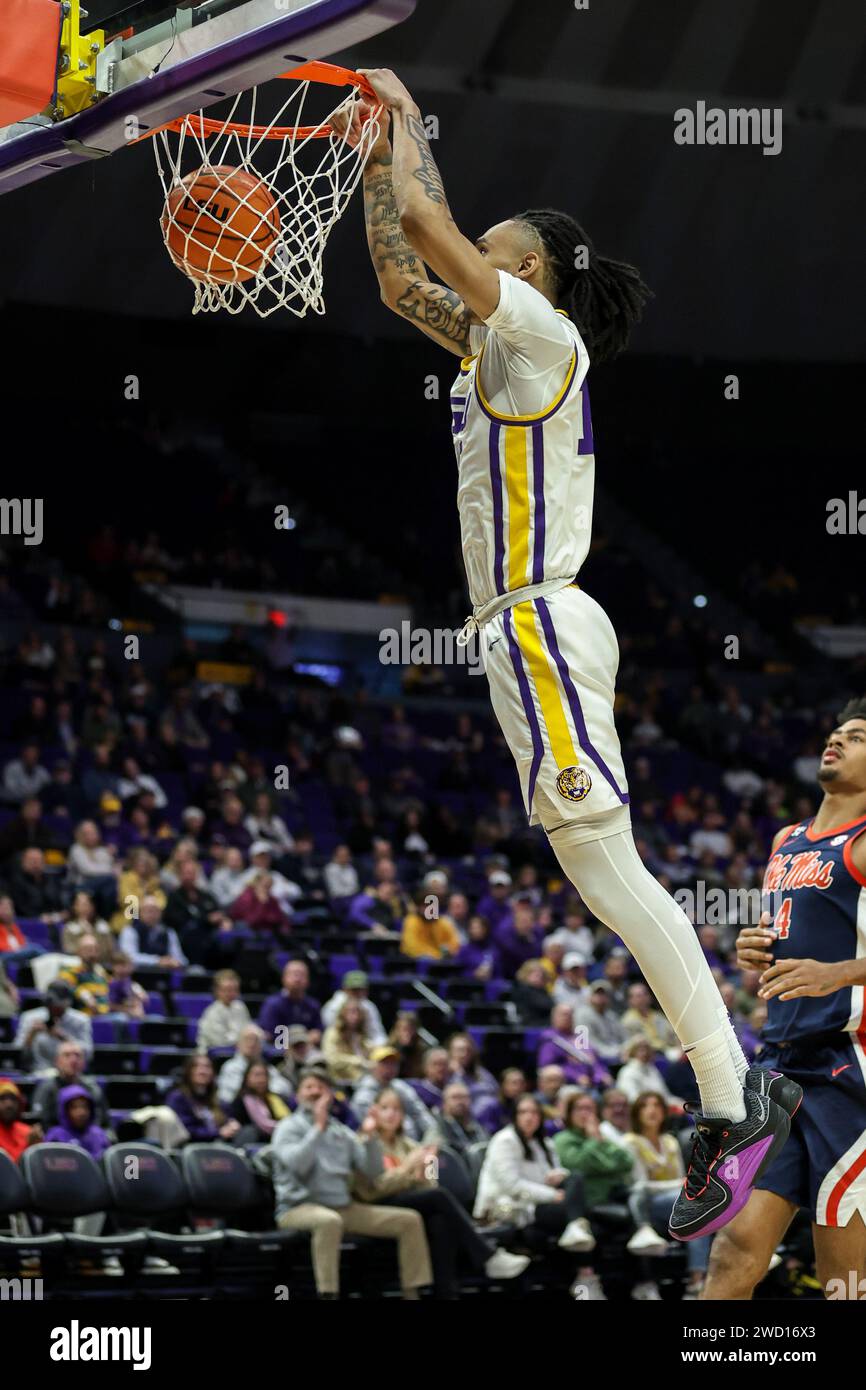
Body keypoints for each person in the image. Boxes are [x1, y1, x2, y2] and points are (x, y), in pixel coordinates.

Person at [353, 64, 789, 1240]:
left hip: (540, 615)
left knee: (612, 874)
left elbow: (429, 229)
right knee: (600, 878)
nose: (472, 257)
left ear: (530, 268)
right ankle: (728, 1091)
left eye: (496, 247)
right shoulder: (498, 345)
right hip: (524, 627)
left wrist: (399, 117)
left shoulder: (537, 331)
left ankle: (730, 1093)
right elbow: (402, 270)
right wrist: (368, 150)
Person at [704, 698, 866, 1297]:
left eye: (857, 737)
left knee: (844, 1280)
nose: (838, 740)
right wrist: (753, 946)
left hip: (850, 1068)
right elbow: (786, 934)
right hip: (780, 1065)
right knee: (733, 1250)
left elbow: (830, 962)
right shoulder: (786, 840)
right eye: (835, 732)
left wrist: (840, 975)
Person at [272, 1069, 433, 1299]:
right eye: (309, 1087)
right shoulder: (288, 1127)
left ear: (330, 1095)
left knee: (409, 1220)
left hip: (342, 1207)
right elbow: (297, 1164)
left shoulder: (341, 1131)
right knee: (329, 1221)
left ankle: (413, 1292)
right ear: (298, 1095)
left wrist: (369, 1138)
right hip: (298, 1208)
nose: (316, 1092)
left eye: (322, 1087)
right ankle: (328, 1294)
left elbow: (372, 1172)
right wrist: (317, 1128)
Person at [355, 1087, 528, 1295]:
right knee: (439, 1198)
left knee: (441, 1223)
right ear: (374, 1111)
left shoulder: (409, 1144)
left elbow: (431, 1186)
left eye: (397, 1109)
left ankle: (446, 1292)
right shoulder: (366, 1142)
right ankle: (488, 1256)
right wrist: (407, 1170)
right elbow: (375, 1189)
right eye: (385, 1108)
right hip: (375, 1207)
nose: (391, 1114)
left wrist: (429, 1167)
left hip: (406, 1205)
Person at [474, 1094, 601, 1295]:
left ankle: (583, 1269)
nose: (529, 1117)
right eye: (523, 1112)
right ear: (514, 1116)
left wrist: (558, 1176)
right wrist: (552, 1195)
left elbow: (557, 1173)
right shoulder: (505, 1141)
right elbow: (512, 1186)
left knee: (575, 1180)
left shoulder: (544, 1143)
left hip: (538, 1204)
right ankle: (586, 1279)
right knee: (588, 1221)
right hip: (507, 1208)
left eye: (534, 1112)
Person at [623, 1091, 710, 1299]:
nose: (652, 1111)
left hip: (675, 1201)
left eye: (657, 1106)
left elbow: (681, 1176)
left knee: (704, 1208)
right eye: (645, 1106)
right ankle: (696, 1284)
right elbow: (640, 1186)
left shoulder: (670, 1141)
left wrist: (682, 1185)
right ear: (637, 1113)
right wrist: (680, 1185)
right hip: (646, 1206)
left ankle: (696, 1283)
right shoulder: (630, 1142)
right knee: (698, 1202)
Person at [349, 1045, 433, 1140]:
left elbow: (419, 1112)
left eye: (393, 1063)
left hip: (407, 1144)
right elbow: (373, 1126)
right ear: (373, 1066)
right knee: (407, 1124)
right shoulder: (363, 1096)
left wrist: (434, 1135)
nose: (390, 1068)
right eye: (384, 1063)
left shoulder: (400, 1087)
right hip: (378, 1143)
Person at [30, 1041, 109, 1129]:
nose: (73, 1060)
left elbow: (103, 1123)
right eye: (67, 1055)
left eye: (77, 1055)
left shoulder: (93, 1089)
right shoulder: (46, 1089)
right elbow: (40, 1122)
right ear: (57, 1061)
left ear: (84, 1063)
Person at [15, 982, 93, 1070]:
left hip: (69, 1072)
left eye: (58, 1006)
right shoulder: (30, 1017)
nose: (53, 1009)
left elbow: (88, 1054)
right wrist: (31, 1035)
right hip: (37, 1071)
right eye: (50, 1005)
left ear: (67, 1003)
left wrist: (63, 1037)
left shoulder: (81, 1020)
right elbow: (17, 1054)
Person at [166, 1054, 241, 1144]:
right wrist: (218, 1133)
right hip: (190, 1147)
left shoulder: (216, 1099)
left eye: (207, 1067)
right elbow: (186, 1130)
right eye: (197, 1067)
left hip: (218, 1146)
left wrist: (232, 1124)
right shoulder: (178, 1098)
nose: (203, 1071)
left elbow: (229, 1117)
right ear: (188, 1071)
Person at [537, 1003, 612, 1089]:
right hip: (568, 1085)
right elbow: (547, 1068)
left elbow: (594, 1060)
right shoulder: (550, 1039)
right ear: (554, 1017)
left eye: (570, 1015)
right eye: (564, 1014)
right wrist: (575, 1077)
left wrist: (602, 1074)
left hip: (594, 1082)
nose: (567, 1017)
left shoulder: (579, 1037)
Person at [216, 1024, 294, 1107]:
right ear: (238, 1044)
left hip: (267, 1108)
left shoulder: (266, 1067)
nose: (251, 1043)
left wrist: (263, 1091)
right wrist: (263, 1091)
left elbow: (286, 1087)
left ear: (261, 1046)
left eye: (255, 1040)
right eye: (247, 1039)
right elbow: (229, 1096)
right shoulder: (230, 1067)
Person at [225, 1059, 292, 1144]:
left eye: (264, 1075)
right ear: (247, 1078)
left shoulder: (275, 1098)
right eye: (257, 1075)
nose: (261, 1079)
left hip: (278, 1139)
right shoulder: (241, 1100)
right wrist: (288, 1128)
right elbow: (264, 1125)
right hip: (252, 1142)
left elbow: (288, 1118)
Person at [258, 959, 322, 1044]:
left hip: (307, 1051)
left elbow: (318, 1031)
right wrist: (299, 1041)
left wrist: (315, 1035)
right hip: (278, 1052)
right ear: (283, 978)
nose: (298, 979)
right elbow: (270, 1035)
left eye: (302, 975)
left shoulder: (313, 1005)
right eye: (294, 974)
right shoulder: (272, 1004)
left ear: (308, 980)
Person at [118, 895, 187, 969]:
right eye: (149, 911)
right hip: (138, 974)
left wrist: (174, 962)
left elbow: (181, 959)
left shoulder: (168, 932)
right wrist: (157, 961)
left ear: (161, 913)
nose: (152, 914)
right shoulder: (130, 930)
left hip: (164, 975)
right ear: (140, 912)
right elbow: (129, 957)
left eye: (156, 911)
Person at [44, 1084, 112, 1160]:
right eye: (74, 1107)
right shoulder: (55, 1136)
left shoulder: (98, 1134)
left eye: (85, 1106)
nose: (81, 1112)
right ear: (64, 1111)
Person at [320, 970, 386, 1045]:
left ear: (366, 990)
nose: (358, 993)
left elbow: (378, 1034)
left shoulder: (369, 1007)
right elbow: (330, 1034)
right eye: (354, 989)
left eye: (360, 989)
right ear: (345, 989)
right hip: (339, 1045)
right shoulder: (333, 1007)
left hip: (363, 1046)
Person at [432, 1081, 488, 1167]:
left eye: (464, 1097)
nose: (460, 1102)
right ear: (444, 1103)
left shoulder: (478, 1127)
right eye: (455, 1097)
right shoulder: (436, 1127)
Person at [321, 1000, 375, 1084]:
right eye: (351, 1012)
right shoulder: (332, 1033)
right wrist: (357, 1061)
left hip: (361, 1077)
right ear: (342, 1013)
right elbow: (332, 1059)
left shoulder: (360, 1034)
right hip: (339, 1079)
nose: (355, 1016)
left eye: (358, 1012)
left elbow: (367, 1052)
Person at [196, 969, 251, 1050]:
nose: (231, 993)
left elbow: (248, 1029)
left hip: (238, 1051)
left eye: (235, 990)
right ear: (217, 991)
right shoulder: (212, 1012)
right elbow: (220, 1042)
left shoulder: (240, 1006)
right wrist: (242, 1041)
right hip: (215, 1054)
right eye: (227, 990)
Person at [616, 1036, 676, 1106]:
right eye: (640, 1050)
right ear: (632, 1052)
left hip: (663, 1107)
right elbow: (634, 1101)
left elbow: (665, 1095)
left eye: (647, 1049)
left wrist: (678, 1104)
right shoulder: (626, 1072)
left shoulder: (652, 1069)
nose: (645, 1053)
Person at [61, 890, 114, 963]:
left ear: (93, 907)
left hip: (103, 965)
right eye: (82, 905)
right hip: (78, 966)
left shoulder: (103, 926)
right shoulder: (69, 928)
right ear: (75, 907)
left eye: (88, 904)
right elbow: (69, 950)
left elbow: (111, 950)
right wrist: (84, 933)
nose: (85, 908)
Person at [446, 1032, 497, 1104]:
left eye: (468, 1050)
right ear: (450, 1052)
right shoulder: (444, 1073)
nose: (465, 1054)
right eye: (460, 1050)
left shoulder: (481, 1072)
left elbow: (494, 1090)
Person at [475, 1068, 528, 1136]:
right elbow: (487, 1132)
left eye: (521, 1083)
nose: (518, 1087)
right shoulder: (491, 1107)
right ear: (503, 1084)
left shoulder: (526, 1107)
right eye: (514, 1083)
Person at [0, 1078, 42, 1162]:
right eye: (2, 1099)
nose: (9, 1104)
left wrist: (34, 1147)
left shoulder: (28, 1132)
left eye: (13, 1099)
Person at [511, 959, 555, 1026]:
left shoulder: (543, 991)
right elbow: (545, 1005)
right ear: (525, 974)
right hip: (531, 1024)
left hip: (545, 1023)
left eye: (542, 974)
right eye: (536, 974)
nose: (540, 976)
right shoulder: (522, 990)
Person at [387, 1010, 425, 1079]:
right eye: (404, 1029)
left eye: (410, 1029)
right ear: (396, 1030)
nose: (407, 1033)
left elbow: (419, 1073)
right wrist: (401, 1047)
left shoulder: (421, 1050)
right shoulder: (388, 1048)